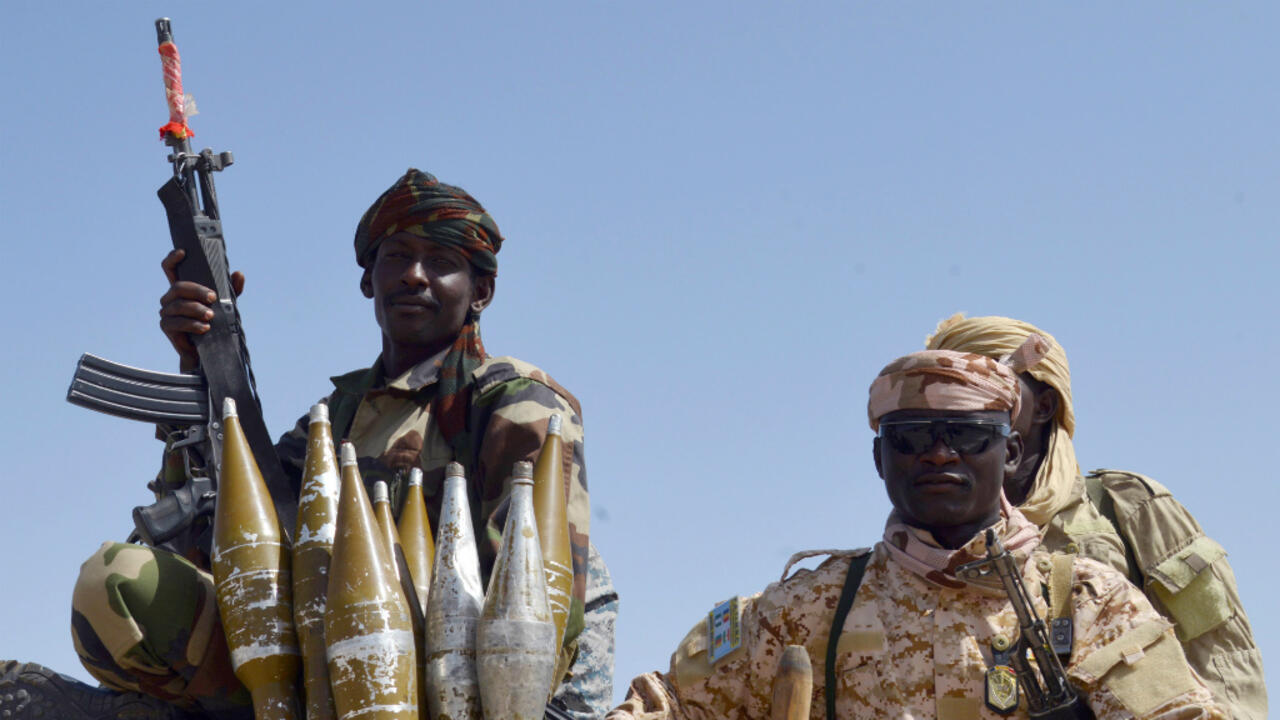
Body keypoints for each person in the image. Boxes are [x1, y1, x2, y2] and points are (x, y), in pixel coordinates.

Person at [5, 169, 616, 720]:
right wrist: (203, 373)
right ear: (368, 280)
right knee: (118, 582)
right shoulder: (336, 418)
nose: (414, 275)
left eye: (441, 261)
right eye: (397, 257)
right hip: (327, 665)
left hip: (477, 684)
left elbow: (535, 601)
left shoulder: (516, 401)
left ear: (480, 291)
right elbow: (220, 547)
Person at [609, 339, 1224, 719]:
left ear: (1010, 454)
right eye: (910, 438)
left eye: (967, 436)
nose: (938, 454)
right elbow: (667, 707)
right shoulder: (804, 612)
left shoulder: (1087, 603)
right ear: (880, 459)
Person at [925, 314, 1265, 719]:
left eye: (989, 385)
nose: (964, 405)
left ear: (1045, 406)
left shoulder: (1126, 507)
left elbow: (1222, 658)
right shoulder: (922, 538)